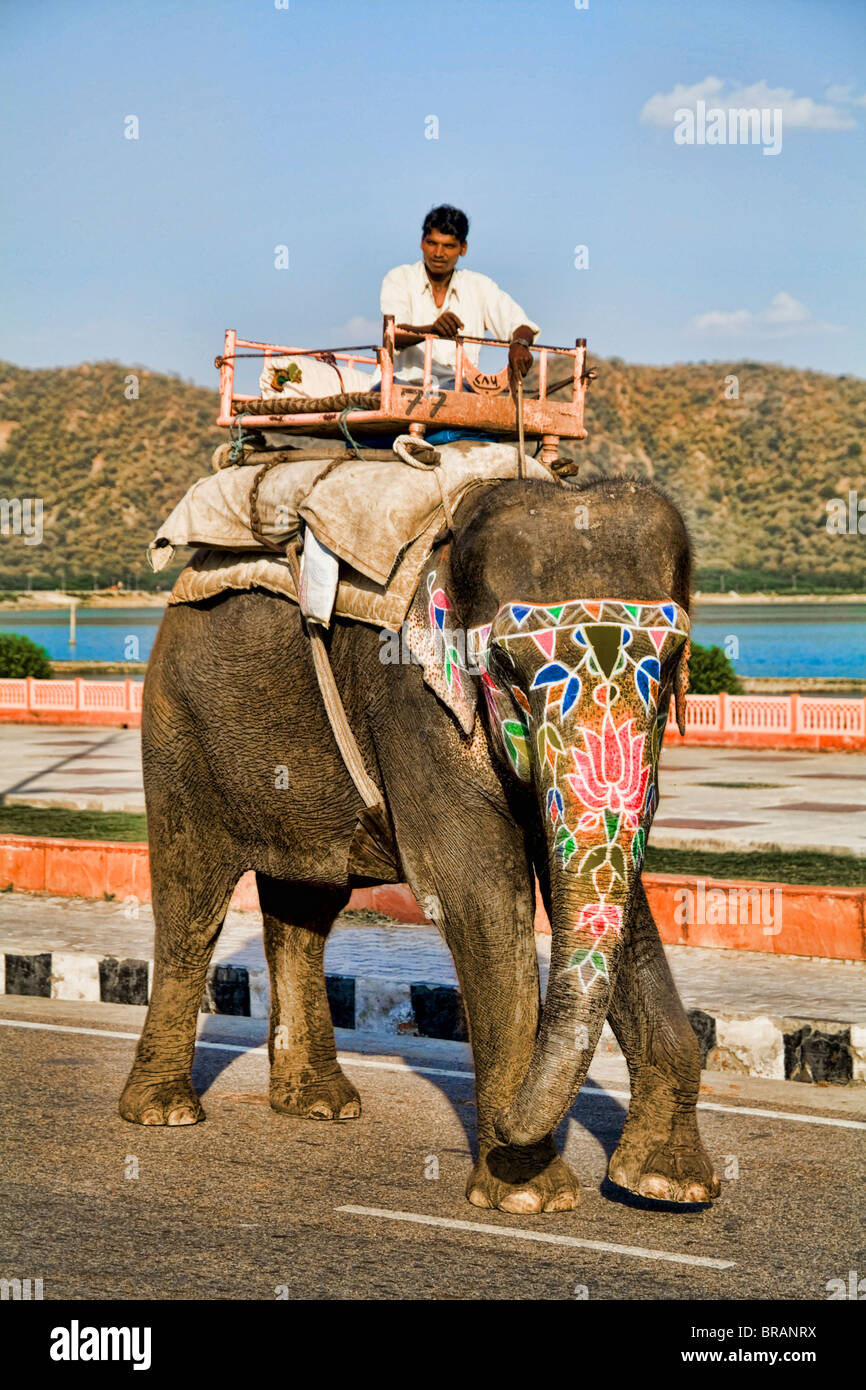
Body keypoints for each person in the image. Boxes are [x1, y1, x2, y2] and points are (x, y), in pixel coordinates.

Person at [381, 204, 538, 393]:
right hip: (401, 382)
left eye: (448, 246)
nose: (438, 253)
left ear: (463, 248)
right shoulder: (399, 278)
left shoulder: (479, 287)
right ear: (422, 242)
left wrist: (520, 344)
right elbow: (393, 334)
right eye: (432, 243)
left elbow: (521, 325)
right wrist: (432, 330)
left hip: (458, 387)